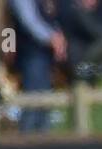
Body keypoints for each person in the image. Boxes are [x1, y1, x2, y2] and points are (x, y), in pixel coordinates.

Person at [9, 0, 65, 132]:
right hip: (30, 51)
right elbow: (28, 20)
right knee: (33, 99)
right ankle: (27, 141)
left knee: (44, 98)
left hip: (44, 52)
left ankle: (42, 141)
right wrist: (51, 37)